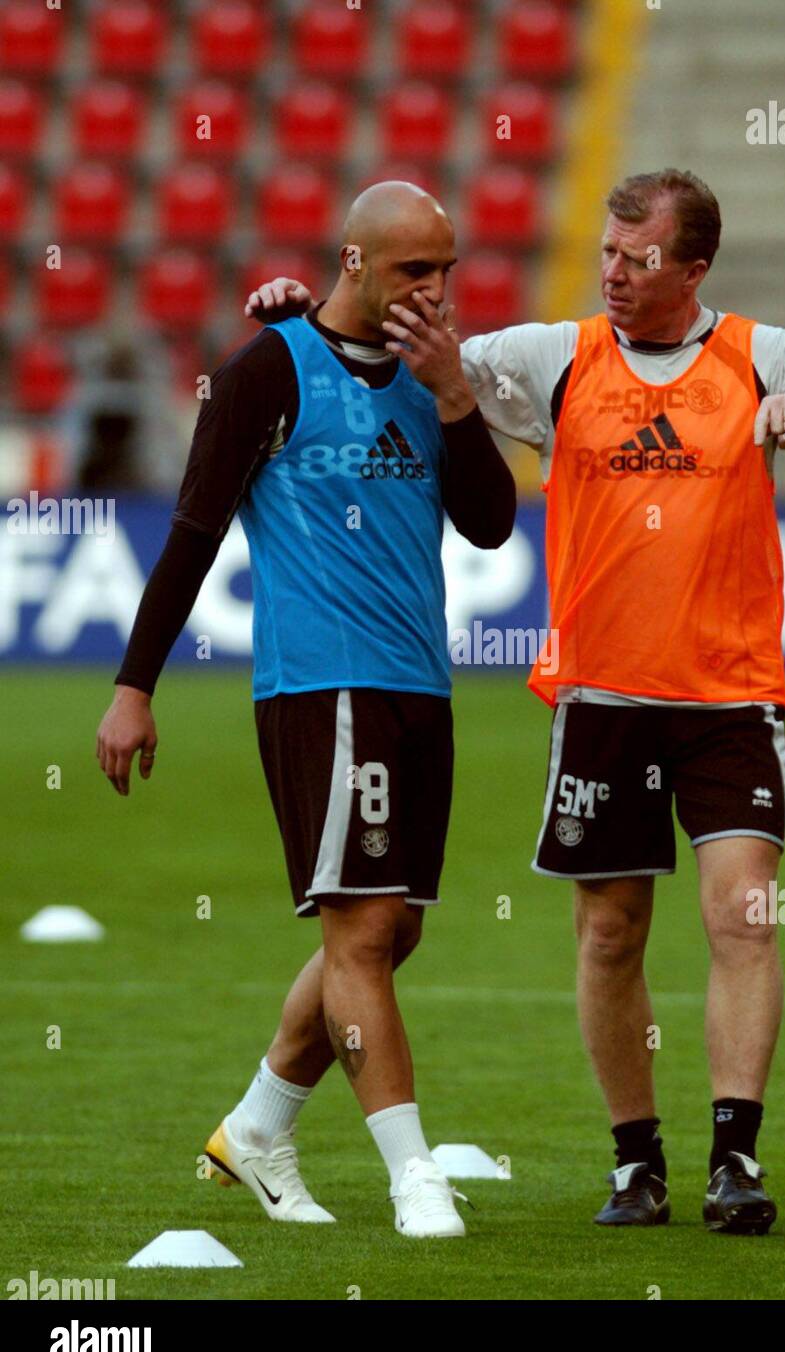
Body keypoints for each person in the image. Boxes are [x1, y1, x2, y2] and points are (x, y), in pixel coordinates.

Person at [245, 166, 785, 1234]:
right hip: (600, 698)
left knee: (741, 912)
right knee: (608, 934)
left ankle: (735, 1154)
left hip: (732, 695)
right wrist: (298, 314)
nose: (615, 275)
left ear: (694, 269)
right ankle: (635, 1161)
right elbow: (396, 352)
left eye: (639, 261)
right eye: (606, 253)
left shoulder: (760, 355)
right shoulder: (555, 357)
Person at [97, 182, 516, 1238]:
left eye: (447, 271)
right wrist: (134, 686)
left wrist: (455, 396)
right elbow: (192, 527)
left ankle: (257, 1123)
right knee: (363, 932)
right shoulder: (267, 368)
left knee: (390, 928)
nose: (434, 290)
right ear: (355, 263)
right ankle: (412, 1173)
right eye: (415, 270)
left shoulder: (438, 379)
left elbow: (490, 526)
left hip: (421, 682)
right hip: (322, 683)